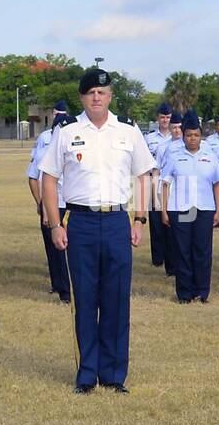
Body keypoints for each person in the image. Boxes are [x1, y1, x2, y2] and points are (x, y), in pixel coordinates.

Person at [39, 67, 154, 394]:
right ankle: (87, 374)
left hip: (117, 221)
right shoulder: (67, 131)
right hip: (81, 223)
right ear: (82, 97)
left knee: (117, 299)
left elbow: (144, 175)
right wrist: (53, 224)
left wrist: (139, 219)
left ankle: (115, 374)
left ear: (110, 95)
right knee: (85, 299)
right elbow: (49, 178)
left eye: (102, 92)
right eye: (90, 92)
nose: (96, 97)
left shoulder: (128, 131)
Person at [160, 111, 219, 303]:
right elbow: (165, 183)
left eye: (196, 135)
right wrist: (163, 210)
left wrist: (218, 209)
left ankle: (202, 292)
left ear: (200, 135)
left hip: (204, 209)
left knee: (202, 251)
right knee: (183, 251)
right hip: (181, 209)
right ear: (184, 136)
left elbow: (217, 183)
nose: (193, 139)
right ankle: (184, 293)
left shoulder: (209, 155)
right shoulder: (174, 155)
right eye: (189, 135)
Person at [28, 111, 72, 303]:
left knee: (72, 251)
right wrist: (45, 210)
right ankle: (62, 288)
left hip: (74, 208)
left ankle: (72, 287)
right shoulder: (44, 154)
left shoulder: (76, 150)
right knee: (56, 251)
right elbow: (38, 180)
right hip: (54, 207)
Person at [144, 102, 172, 268]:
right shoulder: (150, 138)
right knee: (155, 221)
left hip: (169, 184)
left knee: (168, 220)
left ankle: (169, 254)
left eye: (168, 117)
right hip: (153, 181)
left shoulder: (176, 136)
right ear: (158, 118)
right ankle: (157, 257)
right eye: (162, 117)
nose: (165, 120)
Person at [157, 114, 185, 276]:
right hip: (167, 190)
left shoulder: (187, 145)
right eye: (173, 127)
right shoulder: (163, 147)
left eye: (179, 127)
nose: (176, 130)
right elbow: (157, 170)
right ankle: (171, 267)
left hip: (183, 191)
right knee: (168, 230)